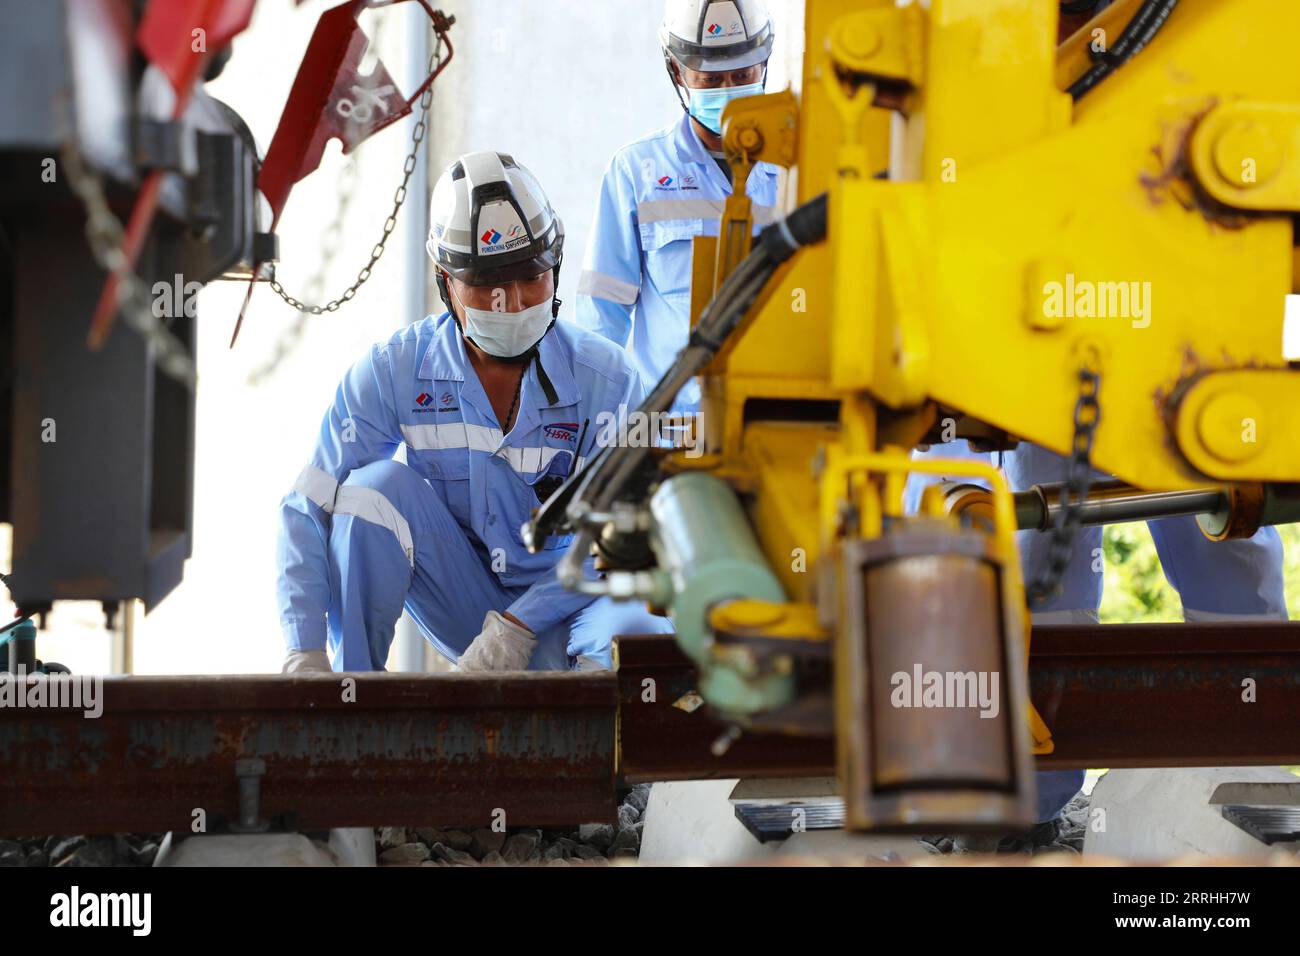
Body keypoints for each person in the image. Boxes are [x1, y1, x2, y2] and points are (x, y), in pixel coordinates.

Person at [276, 151, 672, 674]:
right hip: (466, 616)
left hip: (572, 612)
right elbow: (309, 501)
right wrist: (302, 650)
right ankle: (351, 698)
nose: (511, 301)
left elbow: (626, 534)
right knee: (369, 495)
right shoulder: (394, 369)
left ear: (555, 262)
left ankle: (595, 733)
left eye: (531, 275)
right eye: (486, 284)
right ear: (445, 281)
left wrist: (522, 623)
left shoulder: (609, 380)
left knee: (640, 630)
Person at [576, 0, 780, 414]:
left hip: (782, 422)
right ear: (677, 72)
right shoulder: (636, 173)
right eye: (710, 79)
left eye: (742, 75)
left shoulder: (804, 166)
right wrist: (595, 425)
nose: (727, 91)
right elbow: (602, 321)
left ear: (764, 65)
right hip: (673, 434)